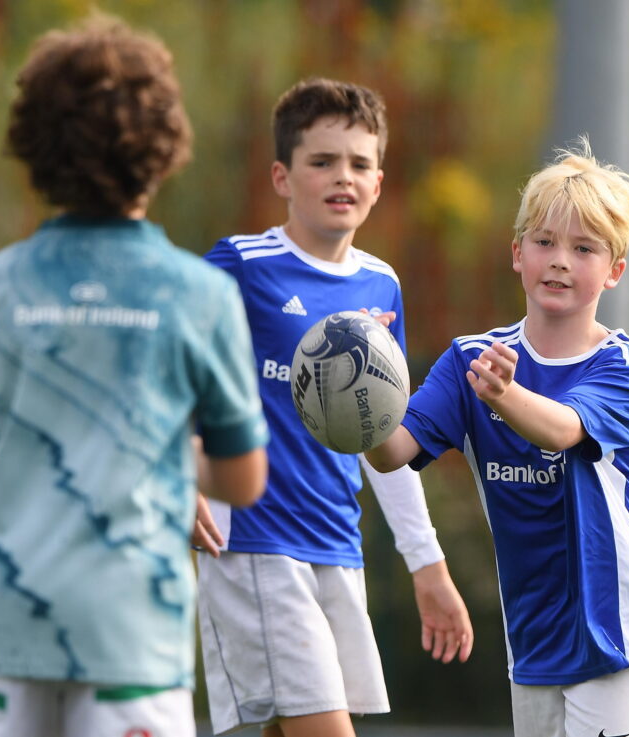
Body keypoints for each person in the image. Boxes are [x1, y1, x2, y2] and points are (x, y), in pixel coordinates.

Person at [0, 17, 268, 737]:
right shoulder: (200, 295)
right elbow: (243, 481)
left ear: (32, 144)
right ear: (164, 149)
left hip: (2, 628)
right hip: (133, 633)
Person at [194, 77, 473, 737]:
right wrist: (180, 475)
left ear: (378, 182)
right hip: (256, 544)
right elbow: (164, 374)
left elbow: (383, 436)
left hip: (337, 544)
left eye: (358, 163)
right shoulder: (241, 265)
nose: (341, 176)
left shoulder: (381, 285)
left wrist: (427, 565)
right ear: (282, 176)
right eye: (321, 161)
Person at [366, 141, 629, 737]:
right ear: (517, 253)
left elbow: (563, 430)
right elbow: (390, 453)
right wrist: (357, 392)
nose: (560, 260)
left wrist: (503, 395)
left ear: (614, 271)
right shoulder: (470, 361)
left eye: (584, 248)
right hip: (531, 637)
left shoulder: (620, 364)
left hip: (616, 635)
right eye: (545, 242)